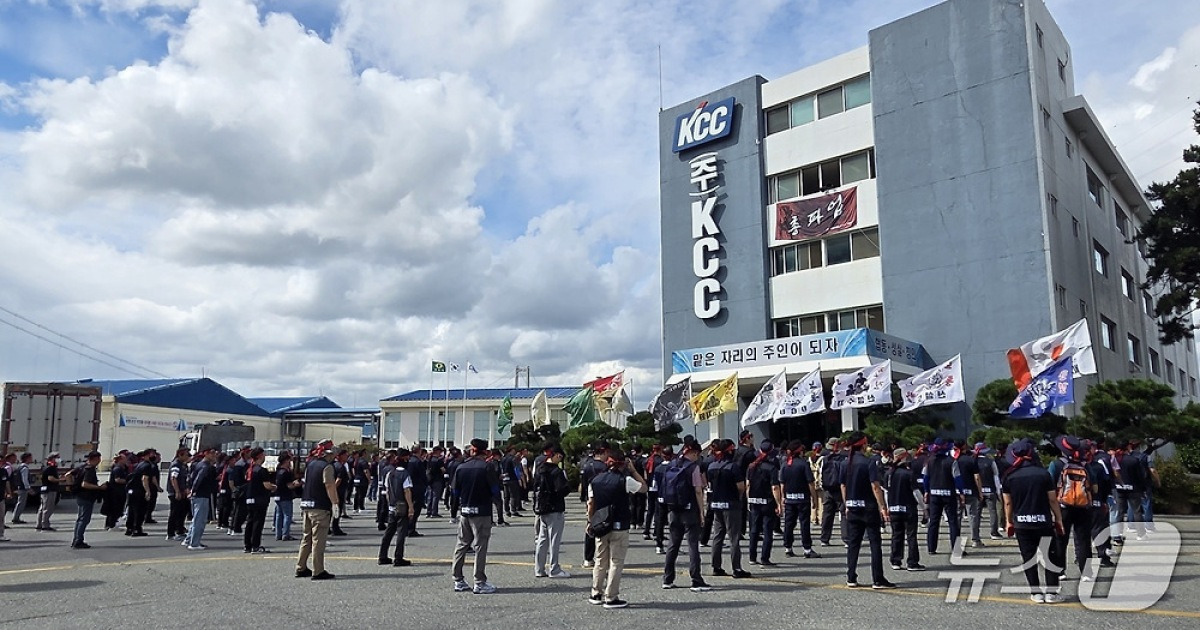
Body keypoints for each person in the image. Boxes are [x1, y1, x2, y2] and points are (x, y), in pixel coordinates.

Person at [1002, 438, 1066, 604]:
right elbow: (1052, 500)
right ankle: (1051, 593)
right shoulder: (1043, 473)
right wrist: (1058, 518)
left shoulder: (1010, 476)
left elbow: (1008, 502)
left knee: (1028, 558)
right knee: (1050, 556)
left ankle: (1035, 592)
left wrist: (1009, 522)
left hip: (1022, 523)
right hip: (1043, 521)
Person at [587, 448, 647, 609]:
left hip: (600, 524)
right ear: (623, 464)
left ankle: (595, 592)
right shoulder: (625, 480)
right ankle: (611, 596)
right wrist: (634, 471)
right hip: (619, 525)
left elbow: (591, 504)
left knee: (600, 560)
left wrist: (590, 522)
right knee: (616, 562)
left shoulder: (595, 480)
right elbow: (643, 488)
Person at [841, 432, 895, 589]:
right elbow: (875, 486)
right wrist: (883, 507)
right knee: (874, 543)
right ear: (863, 445)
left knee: (853, 544)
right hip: (869, 508)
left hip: (852, 507)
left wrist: (846, 505)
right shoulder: (868, 462)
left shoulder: (845, 463)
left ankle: (851, 577)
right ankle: (877, 579)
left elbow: (843, 485)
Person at [451, 439, 500, 594]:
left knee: (462, 544)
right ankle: (479, 581)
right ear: (485, 452)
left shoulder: (461, 467)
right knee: (480, 546)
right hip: (482, 510)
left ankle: (458, 578)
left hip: (465, 510)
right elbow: (495, 490)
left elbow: (455, 492)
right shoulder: (487, 467)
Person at [661, 440, 711, 592]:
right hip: (689, 510)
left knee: (673, 544)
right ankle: (696, 580)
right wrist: (701, 513)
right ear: (694, 453)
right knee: (692, 545)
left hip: (673, 509)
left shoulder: (671, 464)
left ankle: (667, 579)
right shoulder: (693, 468)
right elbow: (698, 491)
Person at [1047, 436, 1095, 580]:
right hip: (1083, 506)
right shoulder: (1085, 465)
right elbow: (1095, 487)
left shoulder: (1056, 465)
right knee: (1083, 539)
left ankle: (1060, 571)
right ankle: (1086, 573)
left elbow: (1049, 485)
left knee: (1061, 538)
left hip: (1063, 506)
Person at [705, 439, 750, 578]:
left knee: (718, 536)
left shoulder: (711, 466)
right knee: (734, 537)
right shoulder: (733, 467)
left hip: (716, 504)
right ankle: (736, 568)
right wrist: (740, 497)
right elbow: (741, 487)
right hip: (731, 505)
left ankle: (716, 566)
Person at [296, 440, 339, 580]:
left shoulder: (311, 465)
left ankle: (300, 566)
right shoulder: (327, 467)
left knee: (306, 538)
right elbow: (329, 486)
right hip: (320, 507)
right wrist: (335, 503)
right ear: (329, 454)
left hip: (306, 505)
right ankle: (318, 570)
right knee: (318, 540)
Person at [532, 444, 571, 579]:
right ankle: (554, 568)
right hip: (555, 507)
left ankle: (539, 568)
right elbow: (563, 489)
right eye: (559, 457)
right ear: (556, 455)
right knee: (554, 539)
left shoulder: (540, 468)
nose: (560, 460)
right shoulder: (556, 472)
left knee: (542, 539)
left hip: (542, 508)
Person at [780, 440, 819, 560]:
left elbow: (782, 483)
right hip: (802, 499)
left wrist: (783, 497)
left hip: (790, 499)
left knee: (789, 524)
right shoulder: (803, 464)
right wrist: (814, 499)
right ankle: (807, 549)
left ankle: (788, 548)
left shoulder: (785, 464)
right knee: (804, 524)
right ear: (800, 451)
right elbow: (810, 483)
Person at [746, 441, 783, 566]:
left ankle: (752, 557)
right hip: (767, 502)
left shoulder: (751, 466)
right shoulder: (771, 468)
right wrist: (779, 504)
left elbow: (748, 485)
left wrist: (748, 499)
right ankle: (764, 558)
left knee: (754, 530)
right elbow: (775, 488)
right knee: (767, 531)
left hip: (754, 501)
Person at [922, 439, 962, 554]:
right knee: (953, 521)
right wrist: (961, 492)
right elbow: (957, 479)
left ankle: (931, 548)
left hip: (934, 493)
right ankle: (956, 548)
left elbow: (925, 478)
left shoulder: (929, 461)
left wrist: (926, 491)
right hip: (949, 493)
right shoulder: (952, 461)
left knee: (934, 521)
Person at [887, 448, 924, 571]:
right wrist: (924, 509)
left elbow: (886, 492)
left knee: (896, 535)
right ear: (904, 457)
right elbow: (916, 493)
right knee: (911, 535)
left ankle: (896, 560)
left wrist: (886, 507)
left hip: (893, 508)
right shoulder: (908, 473)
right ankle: (912, 562)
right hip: (908, 508)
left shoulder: (889, 474)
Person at [379, 448, 414, 567]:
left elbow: (387, 491)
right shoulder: (405, 474)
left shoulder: (390, 473)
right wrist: (411, 507)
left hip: (392, 506)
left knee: (389, 532)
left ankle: (382, 555)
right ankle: (398, 557)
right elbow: (407, 491)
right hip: (402, 505)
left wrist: (390, 503)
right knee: (401, 532)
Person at [579, 442, 608, 568]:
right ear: (603, 452)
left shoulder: (586, 466)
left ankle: (588, 557)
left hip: (590, 498)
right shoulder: (604, 467)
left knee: (590, 525)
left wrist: (584, 498)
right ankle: (603, 556)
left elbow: (584, 485)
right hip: (603, 499)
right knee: (604, 526)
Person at [243, 447, 276, 553]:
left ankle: (247, 545)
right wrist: (274, 487)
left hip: (249, 498)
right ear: (260, 456)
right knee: (258, 523)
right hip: (260, 499)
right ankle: (255, 545)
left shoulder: (249, 470)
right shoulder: (262, 470)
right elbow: (267, 485)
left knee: (250, 522)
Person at [184, 448, 218, 550]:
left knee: (196, 519)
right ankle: (194, 543)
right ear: (206, 454)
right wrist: (193, 490)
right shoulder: (205, 466)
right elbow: (199, 478)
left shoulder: (198, 464)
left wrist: (191, 489)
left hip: (198, 494)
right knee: (200, 520)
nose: (214, 455)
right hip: (202, 495)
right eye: (212, 454)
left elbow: (191, 478)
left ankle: (189, 539)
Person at [72, 450, 107, 549]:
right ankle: (78, 540)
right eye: (99, 459)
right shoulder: (89, 469)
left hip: (80, 496)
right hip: (86, 497)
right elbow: (85, 484)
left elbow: (68, 474)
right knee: (84, 519)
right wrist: (99, 488)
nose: (100, 461)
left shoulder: (81, 467)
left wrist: (71, 486)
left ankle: (76, 539)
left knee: (80, 519)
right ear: (95, 459)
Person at [819, 438, 846, 547]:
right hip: (840, 489)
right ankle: (846, 539)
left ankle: (824, 539)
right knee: (843, 513)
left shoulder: (824, 459)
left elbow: (820, 474)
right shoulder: (844, 458)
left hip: (828, 489)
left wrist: (823, 487)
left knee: (827, 514)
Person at [974, 443, 1003, 541]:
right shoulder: (991, 462)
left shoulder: (973, 461)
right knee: (992, 511)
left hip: (977, 492)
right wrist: (998, 491)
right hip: (990, 490)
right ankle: (994, 532)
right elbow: (996, 477)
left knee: (976, 514)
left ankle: (975, 535)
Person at [274, 453, 301, 541]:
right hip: (285, 496)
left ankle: (278, 534)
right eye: (290, 460)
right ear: (286, 460)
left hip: (277, 495)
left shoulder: (278, 470)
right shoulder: (286, 472)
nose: (290, 462)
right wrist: (297, 484)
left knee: (279, 515)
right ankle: (285, 534)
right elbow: (290, 486)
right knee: (287, 515)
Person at [166, 448, 191, 541]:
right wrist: (177, 491)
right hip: (175, 493)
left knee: (182, 511)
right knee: (174, 513)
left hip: (182, 492)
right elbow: (173, 478)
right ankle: (170, 533)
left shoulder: (182, 465)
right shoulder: (176, 465)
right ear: (180, 455)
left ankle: (180, 530)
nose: (188, 456)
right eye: (186, 455)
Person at [36, 452, 62, 531]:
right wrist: (60, 479)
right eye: (57, 457)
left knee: (42, 508)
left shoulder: (47, 467)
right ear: (52, 459)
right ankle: (45, 525)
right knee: (48, 508)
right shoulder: (51, 468)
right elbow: (51, 478)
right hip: (50, 490)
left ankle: (39, 524)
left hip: (45, 490)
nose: (59, 459)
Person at [11, 453, 33, 524]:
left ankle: (16, 517)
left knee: (20, 503)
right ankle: (16, 518)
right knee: (21, 503)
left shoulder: (20, 466)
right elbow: (25, 479)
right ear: (27, 458)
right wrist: (28, 488)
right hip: (23, 488)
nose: (31, 459)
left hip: (20, 487)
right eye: (30, 458)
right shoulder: (24, 468)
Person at [0, 455, 11, 541]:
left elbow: (6, 482)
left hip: (1, 497)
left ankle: (1, 535)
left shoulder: (3, 471)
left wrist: (9, 492)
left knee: (1, 517)